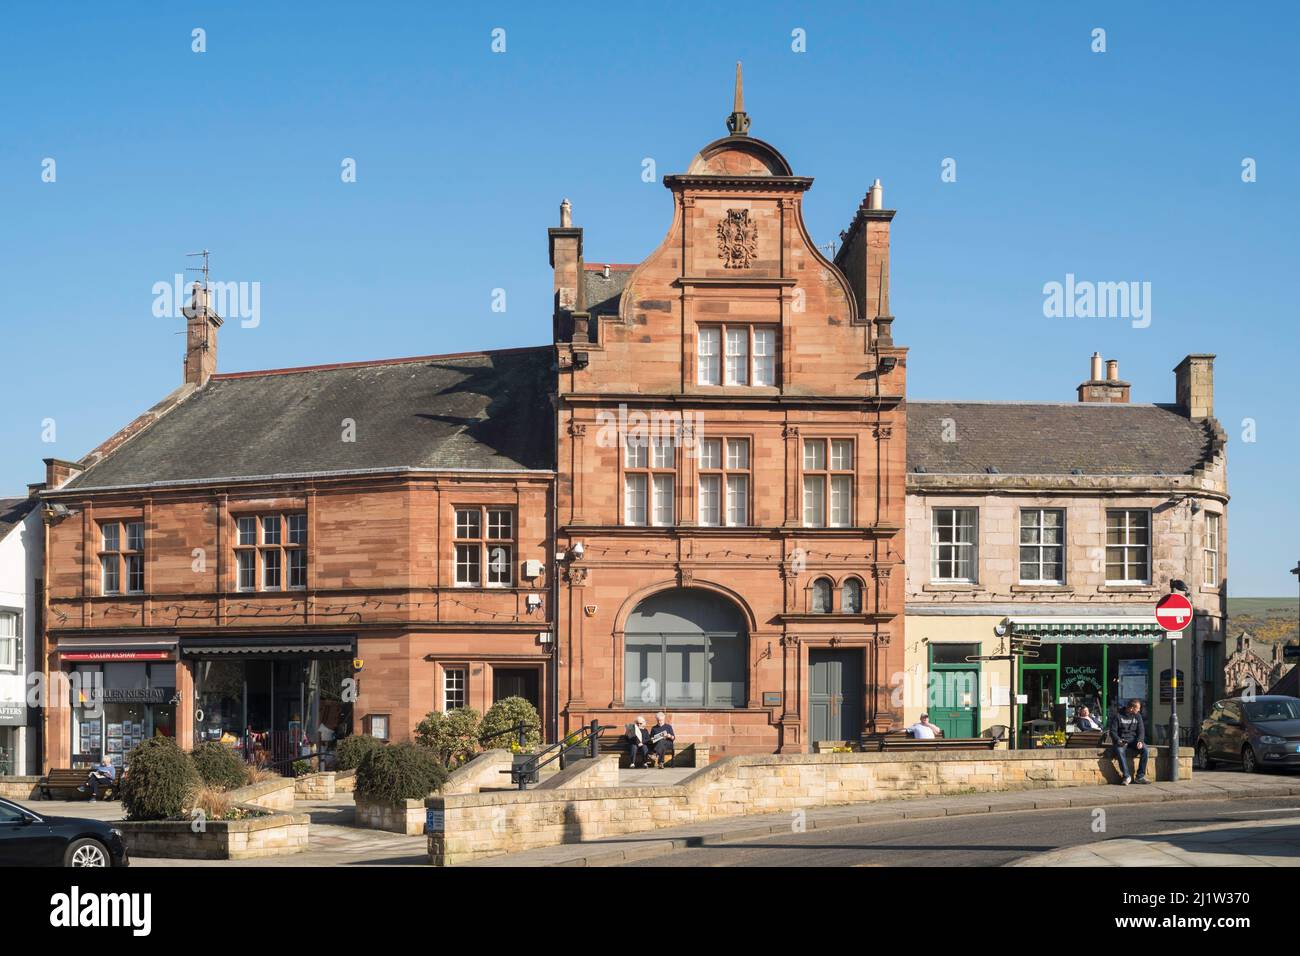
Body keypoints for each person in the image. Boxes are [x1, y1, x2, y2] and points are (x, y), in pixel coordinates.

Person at [1108, 698, 1150, 784]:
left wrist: (1140, 741)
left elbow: (1141, 730)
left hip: (1134, 740)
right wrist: (1118, 740)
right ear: (1131, 708)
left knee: (1145, 749)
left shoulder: (1138, 716)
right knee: (1119, 751)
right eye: (1138, 708)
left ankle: (1140, 776)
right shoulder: (1118, 716)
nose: (1139, 710)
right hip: (1122, 740)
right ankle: (1126, 776)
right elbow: (1112, 731)